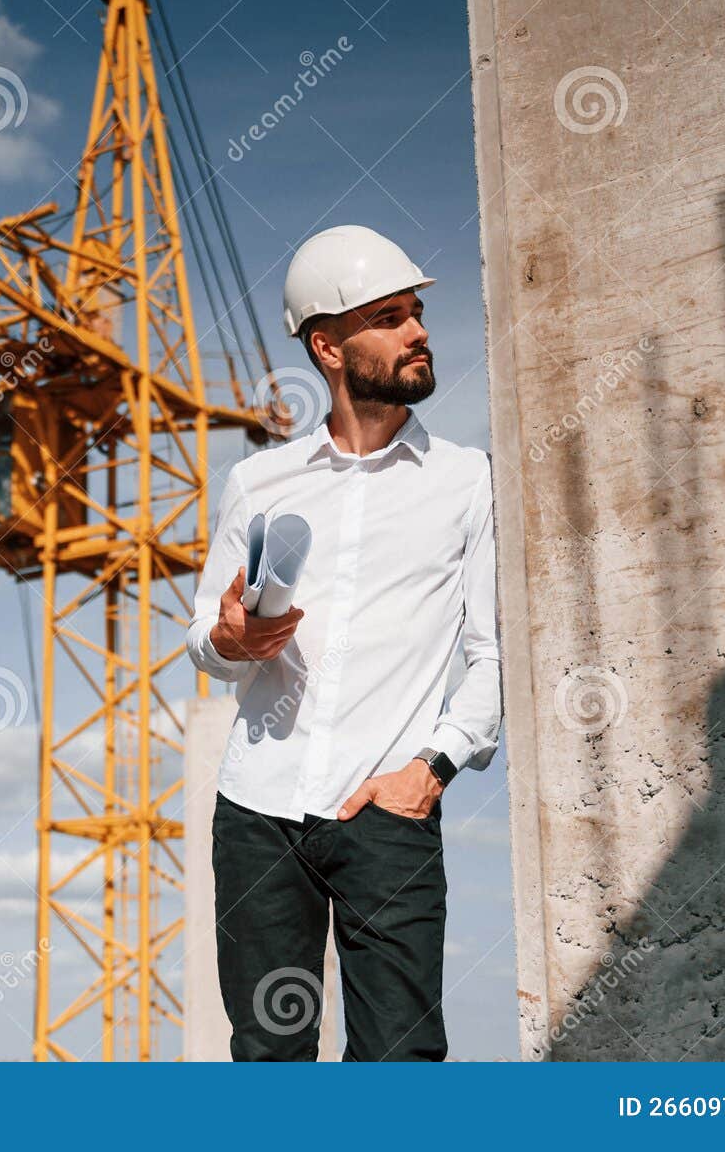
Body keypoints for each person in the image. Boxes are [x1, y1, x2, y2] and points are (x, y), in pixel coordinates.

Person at [188, 225, 502, 1061]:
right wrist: (231, 636)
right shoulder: (259, 482)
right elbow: (204, 640)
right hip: (257, 811)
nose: (419, 331)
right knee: (268, 1056)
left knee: (400, 1062)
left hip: (387, 813)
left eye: (418, 313)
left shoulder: (467, 481)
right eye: (391, 317)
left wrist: (431, 769)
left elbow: (493, 654)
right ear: (328, 346)